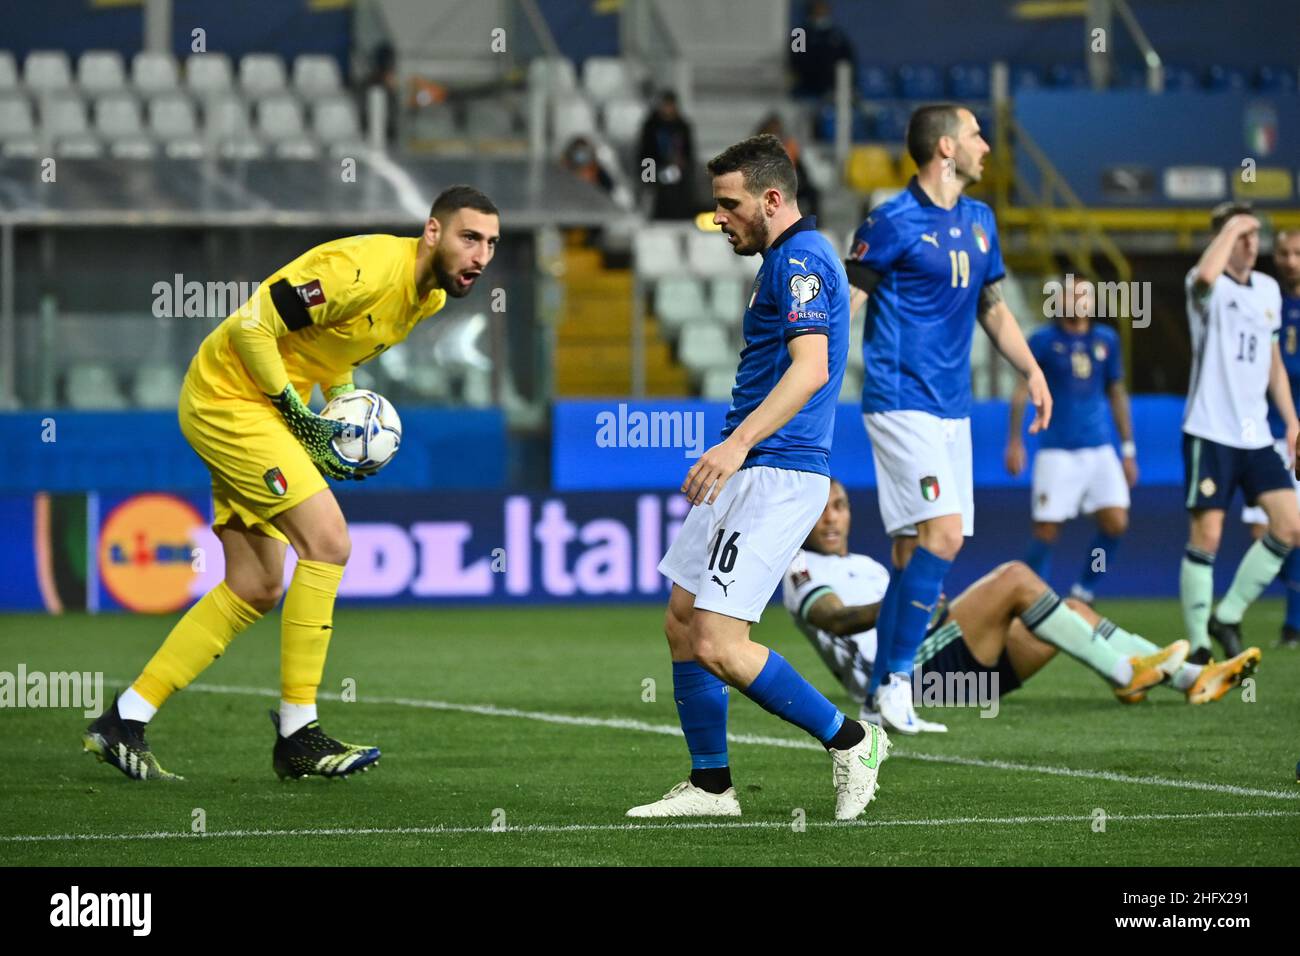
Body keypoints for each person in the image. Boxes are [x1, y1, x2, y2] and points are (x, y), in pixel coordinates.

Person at [83, 187, 500, 780]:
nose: (481, 255)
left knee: (255, 584)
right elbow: (253, 326)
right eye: (469, 237)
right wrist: (297, 412)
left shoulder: (425, 299)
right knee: (328, 543)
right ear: (432, 232)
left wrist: (342, 407)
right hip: (230, 399)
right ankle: (298, 732)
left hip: (267, 411)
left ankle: (123, 721)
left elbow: (332, 349)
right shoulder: (360, 270)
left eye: (490, 244)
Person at [627, 134, 885, 822]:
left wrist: (737, 444)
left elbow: (811, 368)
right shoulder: (789, 259)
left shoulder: (800, 258)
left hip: (777, 469)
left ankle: (853, 740)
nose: (719, 218)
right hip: (754, 465)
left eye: (728, 204)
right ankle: (712, 787)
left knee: (718, 641)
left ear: (773, 199)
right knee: (683, 623)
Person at [843, 103, 1051, 734]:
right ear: (944, 149)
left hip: (952, 411)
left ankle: (877, 689)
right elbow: (850, 299)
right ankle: (901, 682)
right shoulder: (892, 220)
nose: (986, 146)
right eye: (976, 135)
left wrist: (1031, 371)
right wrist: (808, 370)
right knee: (947, 535)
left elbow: (993, 308)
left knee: (913, 550)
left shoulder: (981, 221)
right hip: (899, 400)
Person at [784, 480, 1261, 713]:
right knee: (1015, 576)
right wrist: (911, 602)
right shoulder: (799, 566)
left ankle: (1191, 677)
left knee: (1071, 611)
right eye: (821, 510)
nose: (831, 519)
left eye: (840, 507)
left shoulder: (865, 565)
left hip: (945, 665)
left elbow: (911, 611)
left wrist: (924, 607)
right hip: (899, 680)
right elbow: (835, 620)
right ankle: (1123, 673)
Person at [1180, 203, 1300, 663]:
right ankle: (1197, 646)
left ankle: (1227, 615)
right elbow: (1207, 278)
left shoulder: (1268, 289)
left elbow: (1274, 366)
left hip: (1254, 435)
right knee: (1206, 536)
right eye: (1242, 236)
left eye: (1254, 236)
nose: (1253, 244)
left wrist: (1291, 421)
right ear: (1224, 240)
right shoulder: (1203, 284)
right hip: (1209, 430)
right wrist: (1230, 226)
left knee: (1289, 526)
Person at [1006, 278, 1137, 604]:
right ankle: (1033, 599)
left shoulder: (1107, 340)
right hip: (1057, 451)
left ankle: (1085, 587)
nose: (1078, 301)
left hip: (1100, 448)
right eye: (1071, 295)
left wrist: (1128, 449)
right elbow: (1022, 389)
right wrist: (1015, 441)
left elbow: (1116, 393)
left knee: (1115, 523)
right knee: (1047, 530)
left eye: (1084, 295)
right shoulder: (1043, 341)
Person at [1239, 228, 1300, 648]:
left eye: (1298, 253)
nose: (1291, 260)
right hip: (1263, 430)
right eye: (1283, 253)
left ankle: (1292, 626)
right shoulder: (1263, 300)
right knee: (1264, 536)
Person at [636, 90, 698, 220]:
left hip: (678, 171)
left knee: (679, 188)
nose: (668, 109)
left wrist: (682, 163)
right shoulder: (651, 126)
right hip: (655, 168)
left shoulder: (682, 126)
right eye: (665, 105)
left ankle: (681, 217)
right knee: (656, 192)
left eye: (670, 105)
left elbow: (689, 153)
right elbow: (645, 154)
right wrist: (649, 178)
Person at [788, 0, 857, 99]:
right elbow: (796, 61)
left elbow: (848, 58)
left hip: (833, 87)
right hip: (808, 86)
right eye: (818, 10)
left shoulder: (837, 35)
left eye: (824, 10)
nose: (821, 13)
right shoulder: (799, 34)